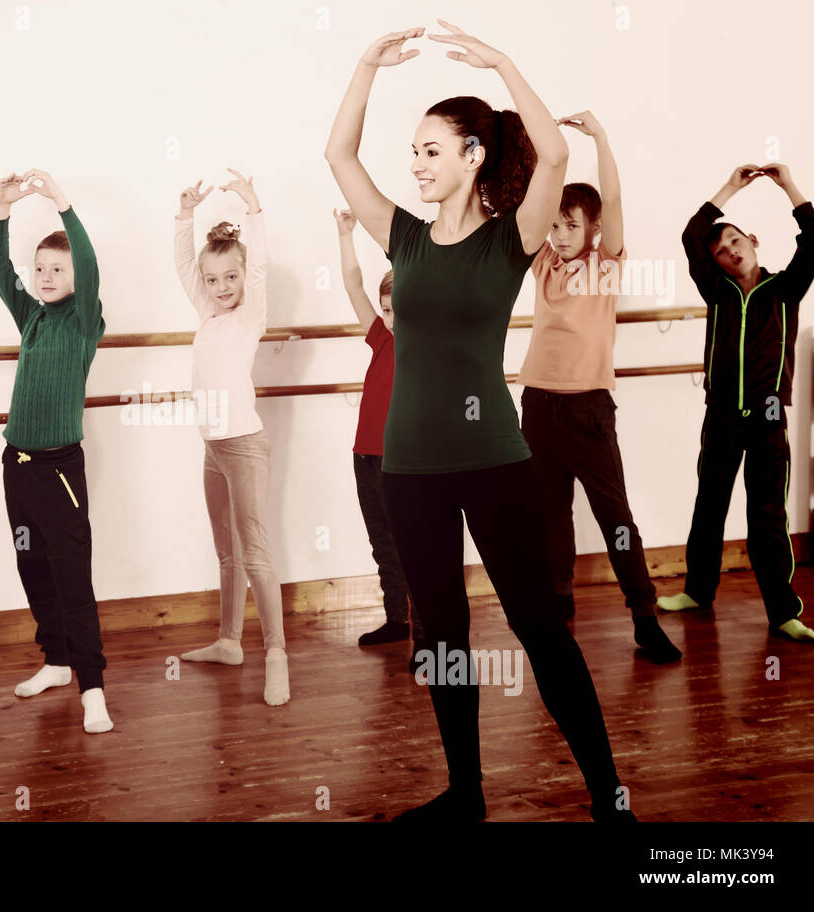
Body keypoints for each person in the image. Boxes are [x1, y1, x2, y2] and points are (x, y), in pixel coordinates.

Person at [325, 22, 634, 822]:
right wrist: (365, 65)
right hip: (410, 469)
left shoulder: (510, 238)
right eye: (415, 151)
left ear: (471, 157)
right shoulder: (402, 235)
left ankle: (610, 798)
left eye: (432, 149)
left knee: (540, 626)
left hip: (496, 459)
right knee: (442, 637)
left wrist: (501, 63)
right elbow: (338, 158)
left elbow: (556, 159)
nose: (417, 164)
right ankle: (466, 794)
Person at [515, 110, 680, 663]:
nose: (560, 235)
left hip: (587, 410)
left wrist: (602, 139)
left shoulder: (604, 267)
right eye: (555, 225)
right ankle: (559, 609)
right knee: (547, 516)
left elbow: (612, 198)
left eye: (572, 226)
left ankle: (644, 616)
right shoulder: (541, 263)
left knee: (616, 519)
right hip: (537, 405)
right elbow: (530, 199)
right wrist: (544, 149)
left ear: (594, 231)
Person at [658, 163, 814, 644]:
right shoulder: (717, 291)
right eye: (722, 252)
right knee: (709, 505)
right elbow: (691, 236)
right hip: (723, 413)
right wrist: (731, 187)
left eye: (735, 242)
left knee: (767, 518)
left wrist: (785, 184)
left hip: (769, 417)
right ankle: (697, 591)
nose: (730, 253)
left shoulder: (785, 290)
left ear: (752, 240)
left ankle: (783, 612)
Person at [0, 169, 114, 732]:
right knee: (32, 567)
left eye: (56, 270)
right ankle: (57, 661)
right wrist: (0, 210)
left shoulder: (83, 320)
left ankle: (93, 688)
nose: (45, 277)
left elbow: (87, 264)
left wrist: (62, 202)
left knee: (72, 578)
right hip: (18, 465)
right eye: (40, 269)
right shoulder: (32, 316)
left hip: (61, 469)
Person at [174, 172, 290, 706]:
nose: (222, 287)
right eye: (214, 279)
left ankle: (276, 654)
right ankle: (228, 641)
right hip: (213, 448)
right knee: (227, 552)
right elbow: (183, 267)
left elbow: (260, 268)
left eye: (231, 278)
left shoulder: (249, 318)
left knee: (256, 553)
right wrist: (184, 217)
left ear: (244, 279)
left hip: (243, 445)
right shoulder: (207, 314)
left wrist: (254, 208)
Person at [333, 208, 422, 658]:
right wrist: (347, 235)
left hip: (400, 461)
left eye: (397, 310)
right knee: (383, 543)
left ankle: (426, 637)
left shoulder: (426, 348)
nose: (389, 318)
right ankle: (396, 618)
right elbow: (353, 284)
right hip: (364, 457)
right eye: (386, 310)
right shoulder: (382, 338)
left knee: (413, 549)